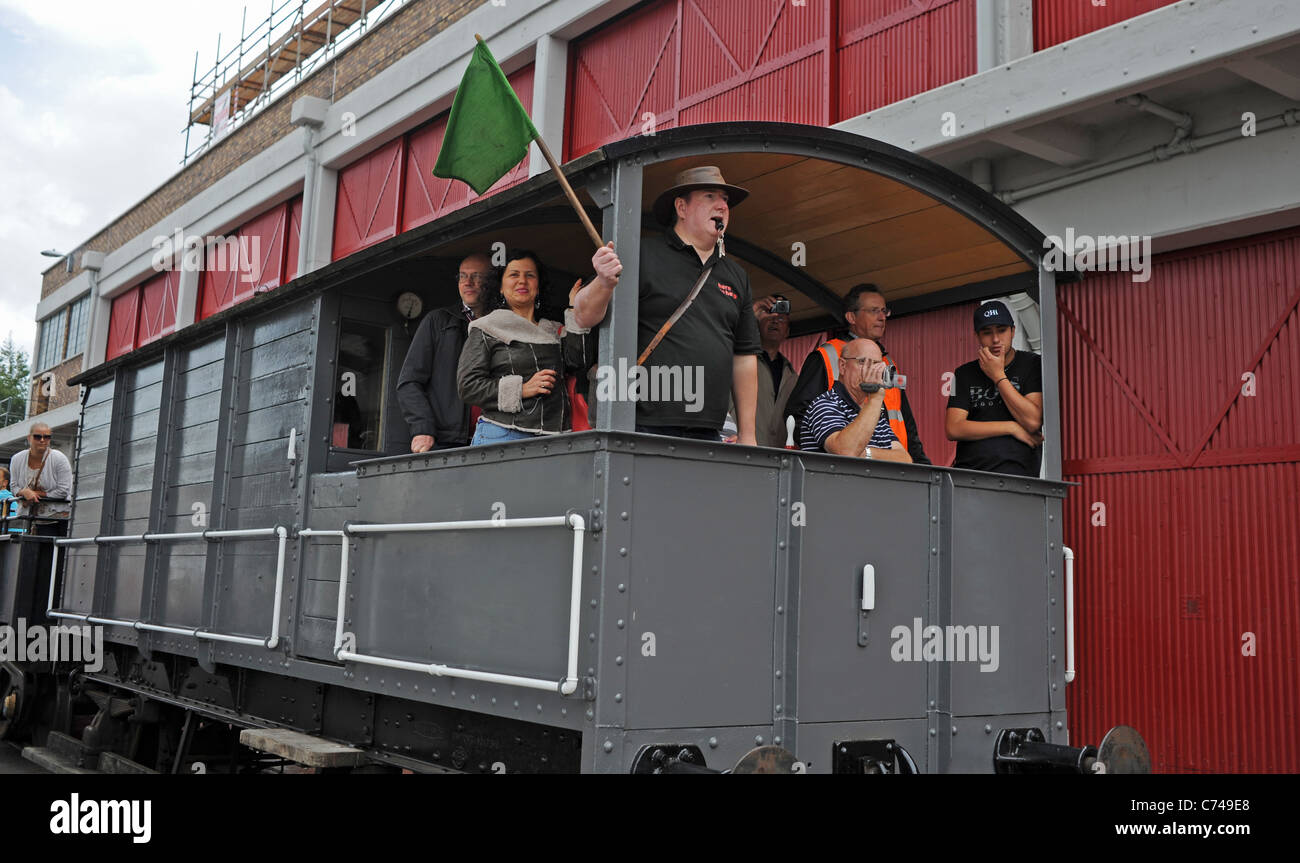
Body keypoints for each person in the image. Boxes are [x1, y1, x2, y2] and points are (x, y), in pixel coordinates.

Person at [570, 166, 761, 443]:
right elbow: (582, 316)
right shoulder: (641, 255)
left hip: (709, 430)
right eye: (710, 196)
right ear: (681, 208)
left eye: (725, 200)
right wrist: (603, 281)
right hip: (640, 423)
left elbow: (744, 357)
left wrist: (748, 433)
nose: (722, 205)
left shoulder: (736, 275)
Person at [457, 250, 595, 444]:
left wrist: (573, 308)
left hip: (555, 439)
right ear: (500, 288)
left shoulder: (553, 330)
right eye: (514, 275)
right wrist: (521, 389)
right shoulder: (486, 327)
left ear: (538, 287)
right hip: (502, 435)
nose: (522, 281)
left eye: (530, 275)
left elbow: (578, 362)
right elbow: (468, 386)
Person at [786, 284, 930, 464]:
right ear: (851, 317)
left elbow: (905, 423)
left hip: (892, 470)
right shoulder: (827, 356)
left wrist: (920, 463)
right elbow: (799, 415)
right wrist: (822, 453)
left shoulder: (889, 363)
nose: (881, 317)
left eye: (884, 311)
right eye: (873, 311)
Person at [397, 252, 493, 452]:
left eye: (476, 276)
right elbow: (409, 382)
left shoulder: (502, 321)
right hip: (446, 441)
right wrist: (422, 428)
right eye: (462, 276)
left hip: (494, 437)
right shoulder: (437, 321)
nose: (468, 282)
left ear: (491, 282)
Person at [945, 300, 1043, 477]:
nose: (996, 339)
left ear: (1013, 331)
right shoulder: (963, 373)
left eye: (1002, 330)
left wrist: (998, 376)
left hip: (1019, 476)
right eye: (987, 333)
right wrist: (1011, 427)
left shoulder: (1032, 364)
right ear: (977, 337)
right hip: (970, 476)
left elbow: (1033, 421)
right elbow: (953, 428)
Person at [799, 338, 912, 463]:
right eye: (863, 362)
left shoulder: (872, 413)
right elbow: (846, 452)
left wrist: (864, 453)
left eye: (876, 364)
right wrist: (876, 397)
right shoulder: (824, 404)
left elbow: (904, 459)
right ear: (842, 366)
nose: (871, 371)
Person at [752, 294, 798, 447]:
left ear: (787, 331)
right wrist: (752, 311)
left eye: (781, 319)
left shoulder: (792, 375)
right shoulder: (740, 359)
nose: (774, 321)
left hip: (777, 455)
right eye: (769, 315)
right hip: (742, 449)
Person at [9, 422, 73, 522]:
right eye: (37, 437)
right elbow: (13, 486)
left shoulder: (59, 458)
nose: (42, 440)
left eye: (47, 437)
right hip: (28, 516)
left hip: (57, 515)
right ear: (29, 438)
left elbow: (64, 491)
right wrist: (23, 492)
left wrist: (34, 493)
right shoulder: (17, 459)